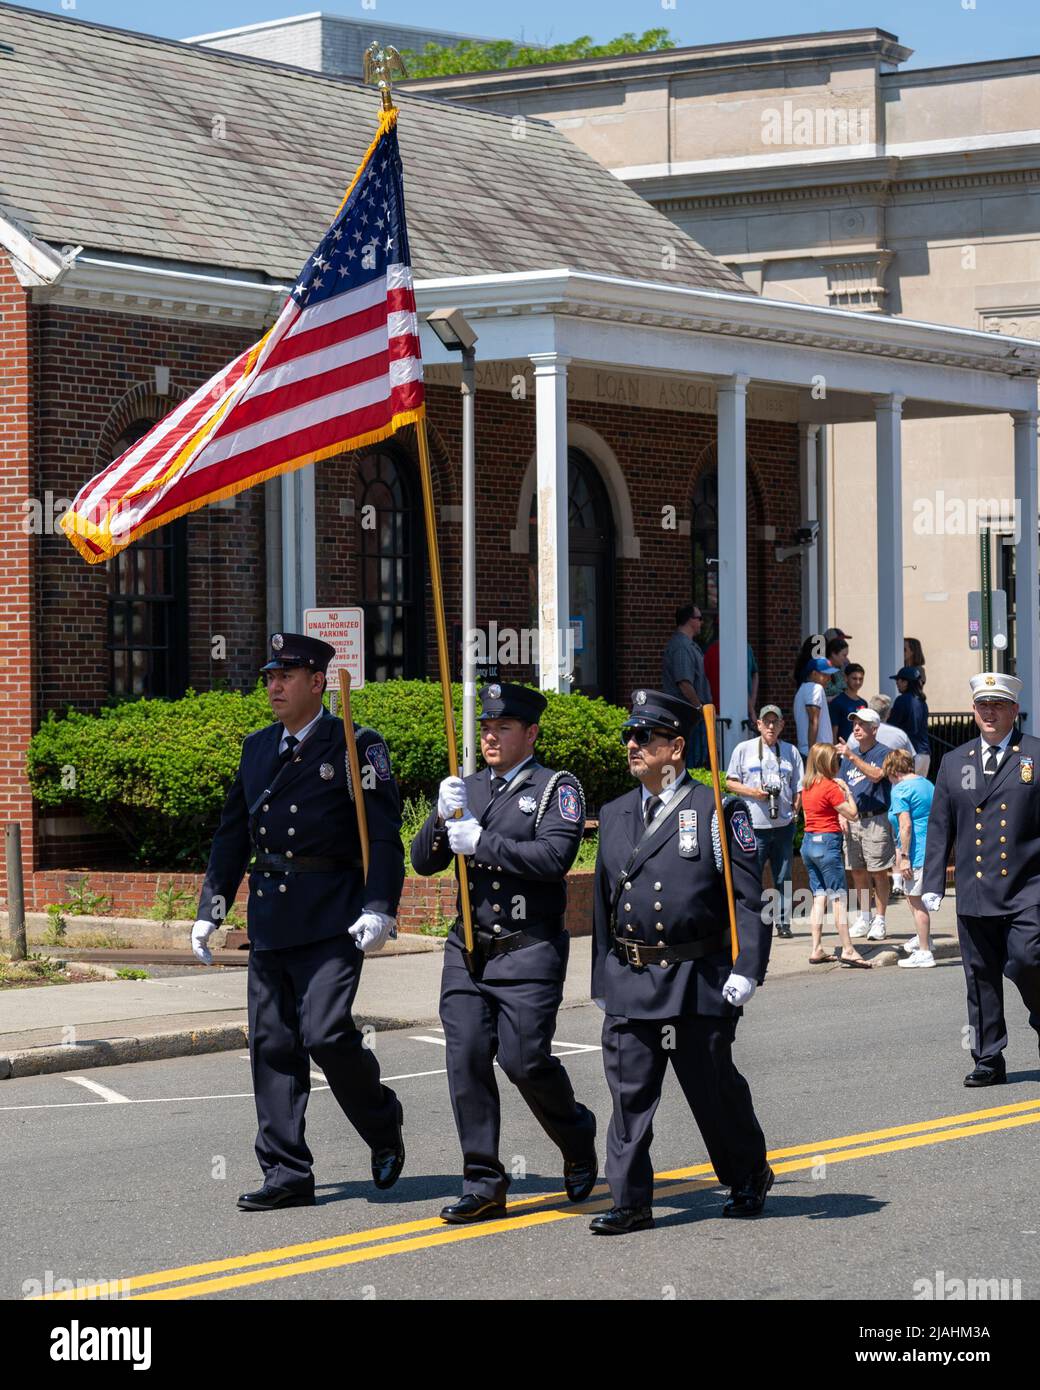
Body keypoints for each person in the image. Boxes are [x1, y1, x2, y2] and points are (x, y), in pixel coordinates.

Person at [192, 633, 406, 1211]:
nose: (275, 686)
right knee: (272, 1045)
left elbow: (383, 834)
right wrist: (212, 912)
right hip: (270, 917)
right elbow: (232, 835)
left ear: (318, 682)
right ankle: (287, 1172)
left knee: (326, 1034)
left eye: (287, 676)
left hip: (333, 916)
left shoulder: (356, 745)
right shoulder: (257, 748)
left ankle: (382, 1121)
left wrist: (380, 906)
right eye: (269, 676)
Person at [410, 682, 598, 1223]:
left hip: (528, 948)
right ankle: (483, 1183)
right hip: (468, 948)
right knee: (466, 1055)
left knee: (524, 1060)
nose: (491, 736)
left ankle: (576, 1133)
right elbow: (423, 862)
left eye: (504, 727)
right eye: (486, 728)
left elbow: (554, 857)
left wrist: (481, 843)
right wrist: (439, 817)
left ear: (530, 733)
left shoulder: (555, 787)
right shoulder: (468, 787)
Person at [589, 689, 772, 1235]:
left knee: (712, 1089)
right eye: (630, 735)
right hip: (632, 975)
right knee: (629, 1095)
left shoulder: (717, 809)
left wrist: (748, 967)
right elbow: (603, 903)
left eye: (644, 736)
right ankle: (629, 1200)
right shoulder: (615, 812)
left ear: (676, 746)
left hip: (697, 977)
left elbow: (748, 898)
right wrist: (603, 973)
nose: (632, 745)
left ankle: (746, 1174)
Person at [922, 672, 1040, 1087]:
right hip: (974, 889)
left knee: (1028, 959)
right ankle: (989, 1057)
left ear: (1014, 710)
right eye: (982, 706)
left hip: (1027, 888)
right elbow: (940, 826)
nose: (989, 713)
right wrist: (932, 882)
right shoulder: (956, 762)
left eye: (998, 705)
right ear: (974, 711)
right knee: (980, 975)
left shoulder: (1035, 756)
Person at [726, 704, 804, 938]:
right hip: (754, 826)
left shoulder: (790, 751)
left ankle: (783, 922)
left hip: (783, 826)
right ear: (758, 724)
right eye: (766, 722)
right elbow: (730, 783)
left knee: (784, 876)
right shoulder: (744, 749)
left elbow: (798, 787)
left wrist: (796, 810)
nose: (770, 726)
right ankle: (751, 921)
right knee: (752, 876)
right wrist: (754, 793)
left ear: (781, 725)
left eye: (775, 722)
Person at [799, 744, 870, 967]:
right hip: (827, 843)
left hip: (809, 842)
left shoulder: (807, 786)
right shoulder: (831, 787)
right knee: (839, 897)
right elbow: (853, 814)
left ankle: (816, 948)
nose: (837, 763)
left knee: (819, 895)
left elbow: (806, 814)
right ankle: (848, 949)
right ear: (827, 762)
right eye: (834, 760)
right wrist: (847, 791)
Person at [838, 708, 896, 940]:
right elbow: (843, 787)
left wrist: (852, 757)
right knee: (858, 871)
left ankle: (880, 920)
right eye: (854, 723)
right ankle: (864, 917)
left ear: (875, 728)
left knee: (879, 872)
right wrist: (841, 813)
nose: (857, 727)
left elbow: (876, 775)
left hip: (876, 819)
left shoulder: (885, 752)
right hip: (853, 820)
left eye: (862, 724)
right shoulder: (848, 756)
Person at [883, 749, 936, 969]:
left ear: (892, 770)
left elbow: (905, 825)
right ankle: (923, 938)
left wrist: (904, 857)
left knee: (916, 901)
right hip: (931, 848)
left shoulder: (900, 789)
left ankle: (925, 951)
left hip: (916, 852)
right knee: (911, 896)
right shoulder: (927, 784)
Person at [662, 604, 711, 767]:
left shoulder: (687, 645)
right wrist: (699, 708)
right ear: (690, 620)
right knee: (692, 762)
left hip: (692, 715)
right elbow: (684, 682)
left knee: (697, 759)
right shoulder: (682, 647)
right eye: (699, 618)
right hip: (688, 716)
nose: (701, 623)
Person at [705, 640, 760, 726]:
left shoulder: (747, 648)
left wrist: (751, 704)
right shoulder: (713, 650)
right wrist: (751, 709)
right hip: (720, 714)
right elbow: (737, 683)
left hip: (745, 713)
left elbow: (755, 673)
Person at [889, 665, 931, 777]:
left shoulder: (901, 700)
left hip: (909, 754)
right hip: (925, 754)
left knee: (905, 790)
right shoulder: (922, 702)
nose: (897, 683)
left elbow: (891, 726)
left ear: (906, 682)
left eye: (899, 680)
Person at [794, 657, 838, 756]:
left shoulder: (803, 689)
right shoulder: (815, 688)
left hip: (812, 751)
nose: (829, 679)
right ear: (814, 674)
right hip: (817, 752)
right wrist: (812, 753)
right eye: (826, 674)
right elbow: (813, 720)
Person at [829, 662, 867, 742]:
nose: (858, 682)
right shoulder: (837, 702)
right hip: (843, 750)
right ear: (846, 678)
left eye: (861, 679)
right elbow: (833, 732)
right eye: (854, 678)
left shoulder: (863, 703)